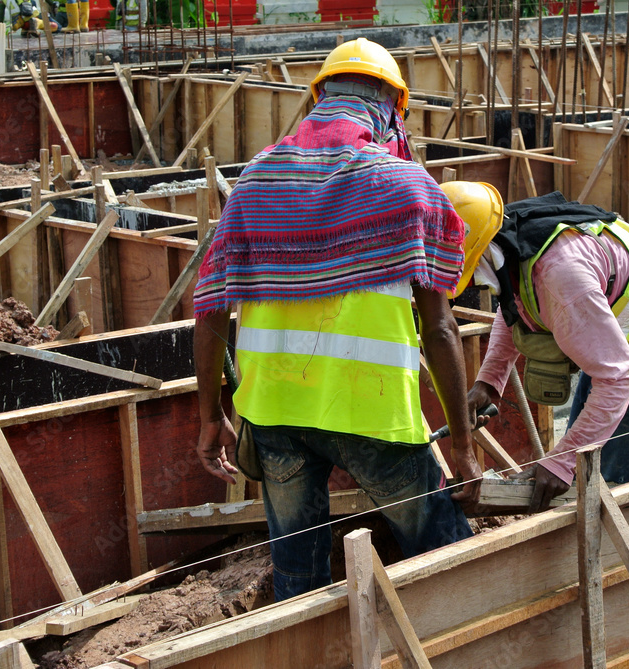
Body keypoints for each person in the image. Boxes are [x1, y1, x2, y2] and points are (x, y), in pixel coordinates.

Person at [192, 38, 481, 602]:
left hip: (274, 413)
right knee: (443, 557)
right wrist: (465, 447)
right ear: (393, 108)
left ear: (318, 99)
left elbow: (209, 310)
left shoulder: (255, 183)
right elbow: (441, 329)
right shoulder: (405, 188)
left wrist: (210, 417)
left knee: (297, 577)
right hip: (371, 410)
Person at [453, 188, 629, 513]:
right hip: (609, 346)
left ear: (481, 252)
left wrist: (563, 460)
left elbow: (618, 377)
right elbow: (513, 303)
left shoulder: (561, 278)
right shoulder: (512, 243)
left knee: (620, 492)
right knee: (583, 476)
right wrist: (489, 381)